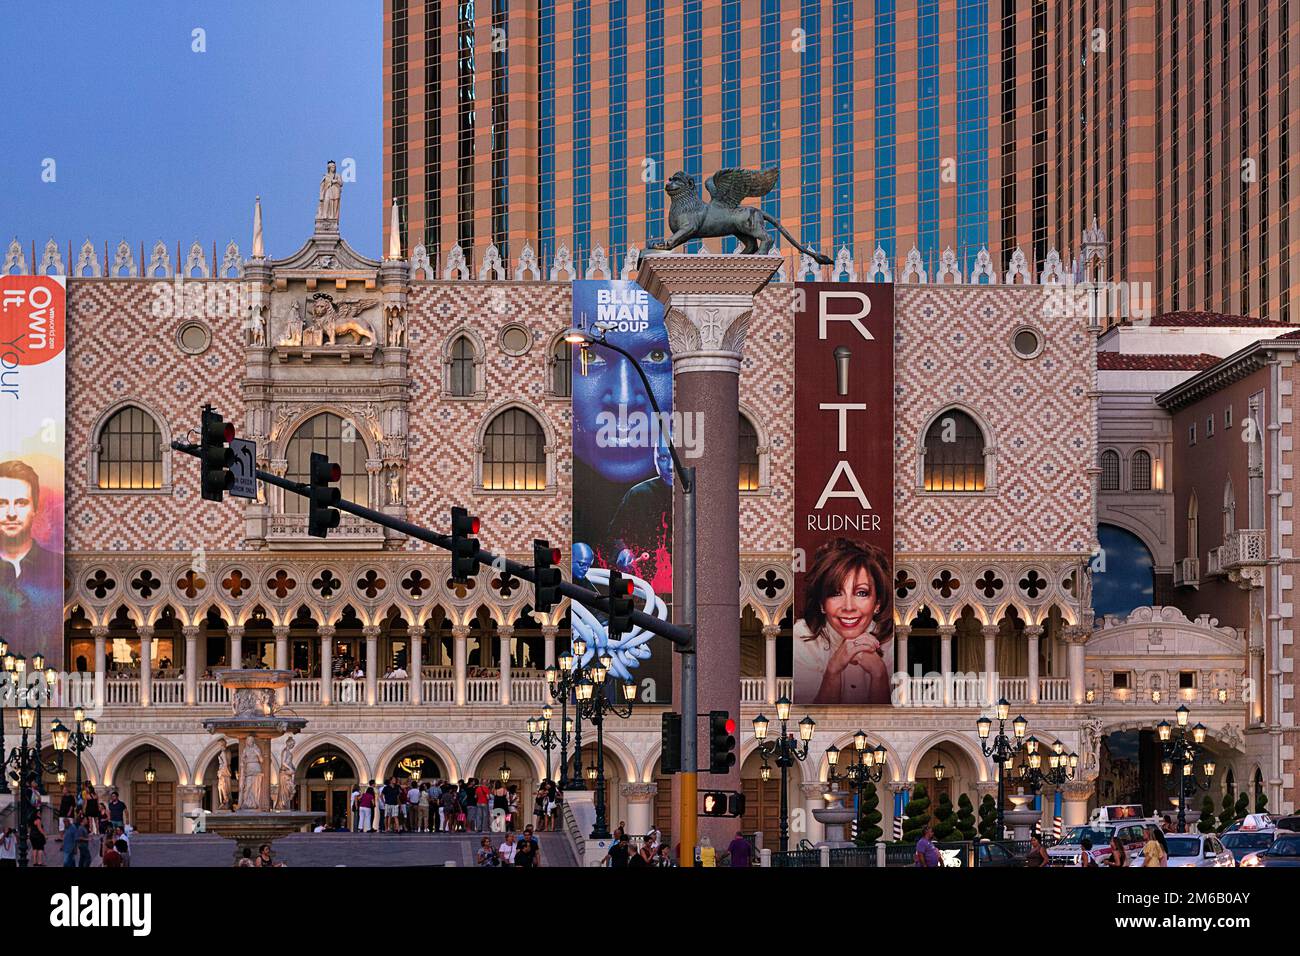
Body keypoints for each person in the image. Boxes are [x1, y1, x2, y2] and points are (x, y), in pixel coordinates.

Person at [792, 537, 894, 705]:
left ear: (877, 603)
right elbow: (809, 726)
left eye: (861, 593)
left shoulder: (893, 642)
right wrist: (833, 670)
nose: (848, 607)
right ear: (822, 604)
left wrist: (879, 675)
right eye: (835, 593)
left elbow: (891, 728)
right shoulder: (802, 637)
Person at [0, 459, 65, 642]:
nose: (11, 513)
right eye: (2, 503)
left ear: (34, 508)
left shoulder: (57, 566)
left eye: (20, 502)